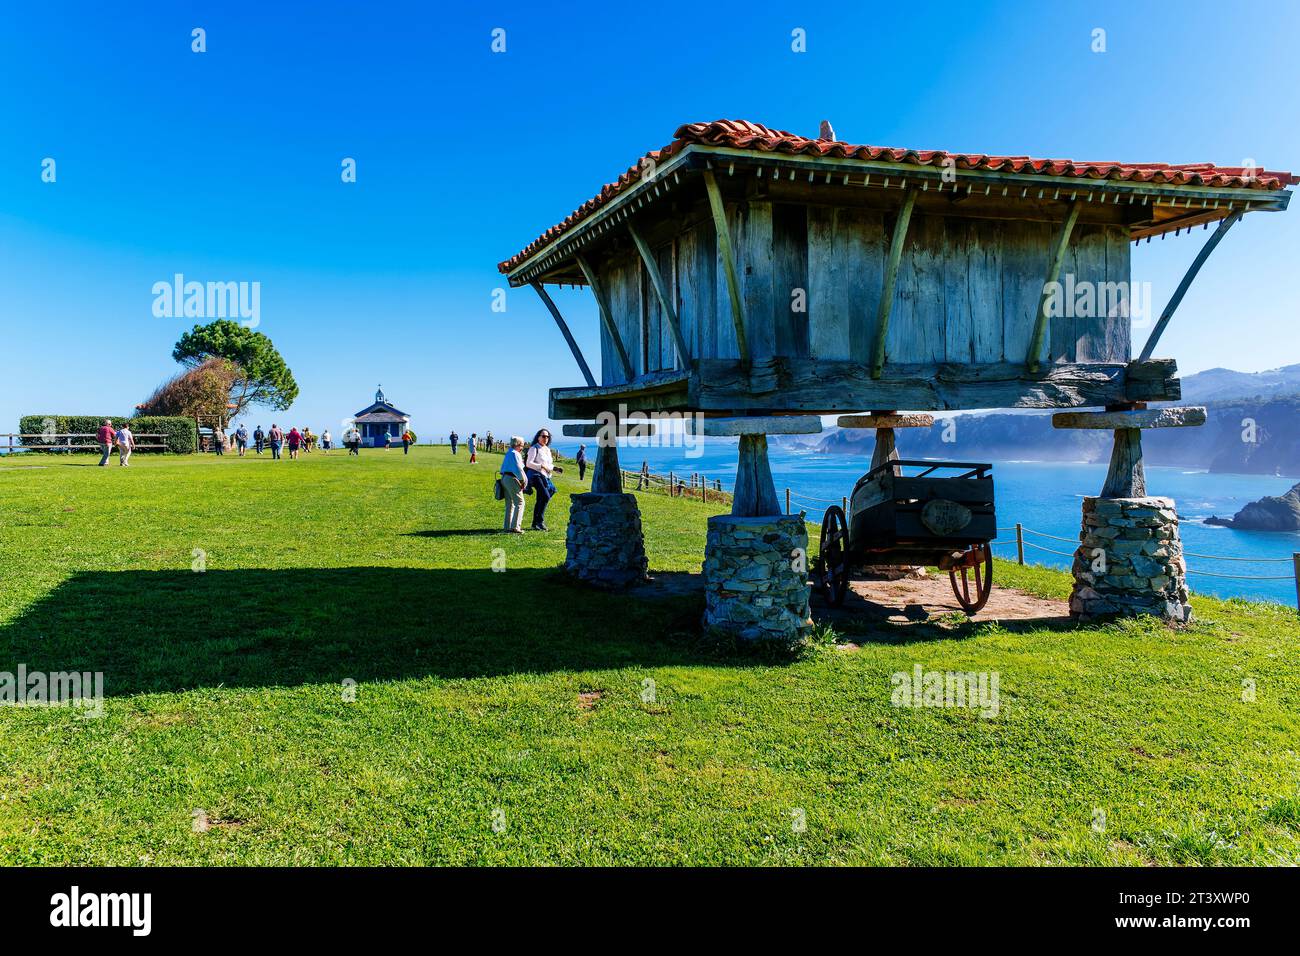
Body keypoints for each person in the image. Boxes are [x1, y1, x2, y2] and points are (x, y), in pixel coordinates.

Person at [525, 428, 560, 531]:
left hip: (545, 476)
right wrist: (541, 466)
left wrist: (555, 468)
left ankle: (535, 523)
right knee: (545, 496)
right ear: (538, 437)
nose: (546, 438)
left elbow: (548, 464)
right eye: (543, 436)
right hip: (536, 475)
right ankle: (539, 521)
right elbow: (528, 463)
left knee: (543, 497)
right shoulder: (534, 448)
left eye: (547, 436)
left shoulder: (547, 450)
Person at [499, 436, 527, 533]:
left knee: (509, 504)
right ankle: (515, 526)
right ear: (518, 445)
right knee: (520, 502)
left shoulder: (509, 453)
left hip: (504, 478)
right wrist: (523, 481)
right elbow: (519, 469)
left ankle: (507, 526)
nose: (522, 447)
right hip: (512, 478)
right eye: (522, 445)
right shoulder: (515, 454)